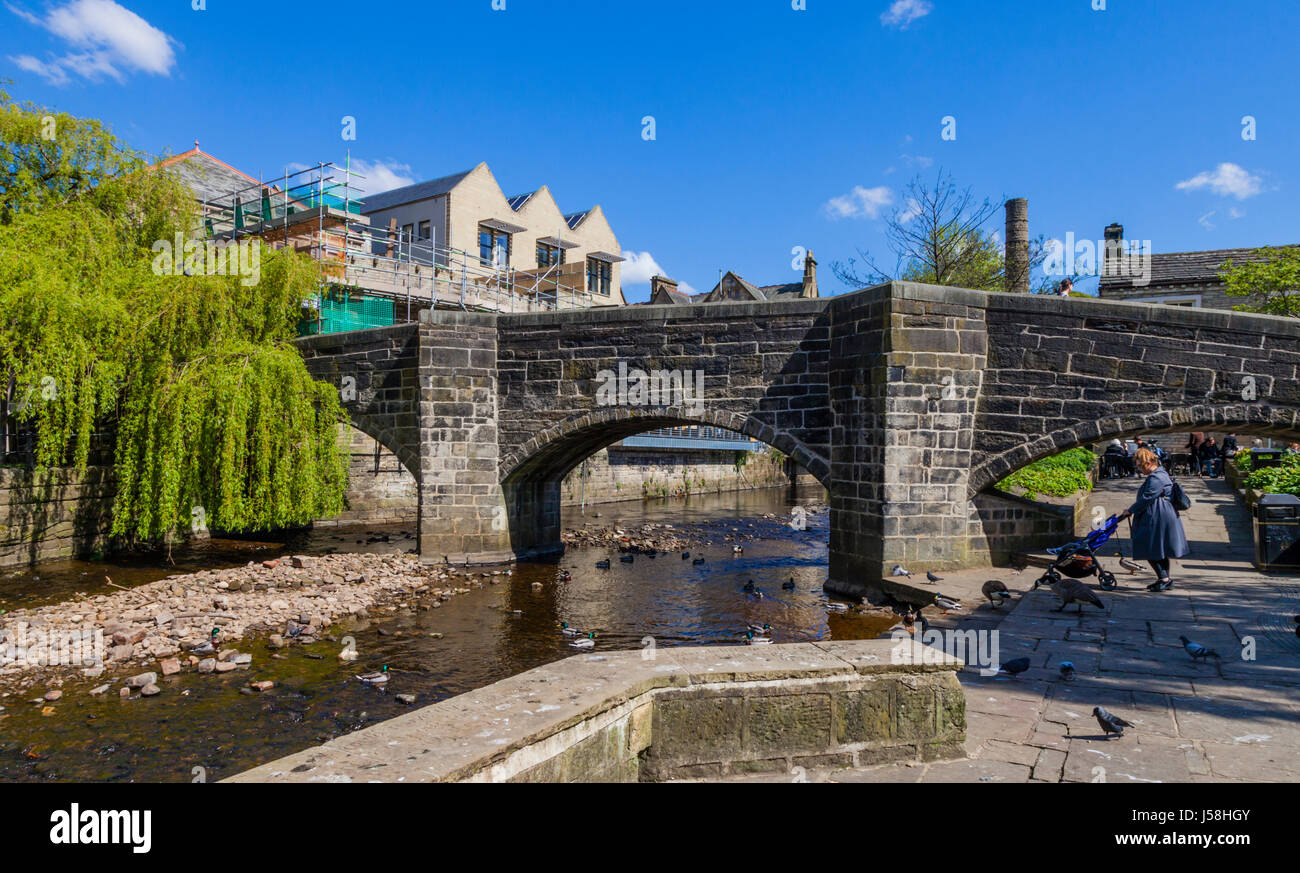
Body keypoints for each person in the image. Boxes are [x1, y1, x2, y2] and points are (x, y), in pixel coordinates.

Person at [1118, 448, 1189, 592]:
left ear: (1149, 463)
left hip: (1157, 515)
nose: (1139, 469)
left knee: (1149, 547)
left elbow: (1148, 497)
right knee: (1159, 549)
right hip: (1160, 513)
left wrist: (1130, 510)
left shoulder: (1156, 478)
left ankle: (1164, 579)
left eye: (1140, 466)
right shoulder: (1161, 473)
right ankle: (1164, 579)